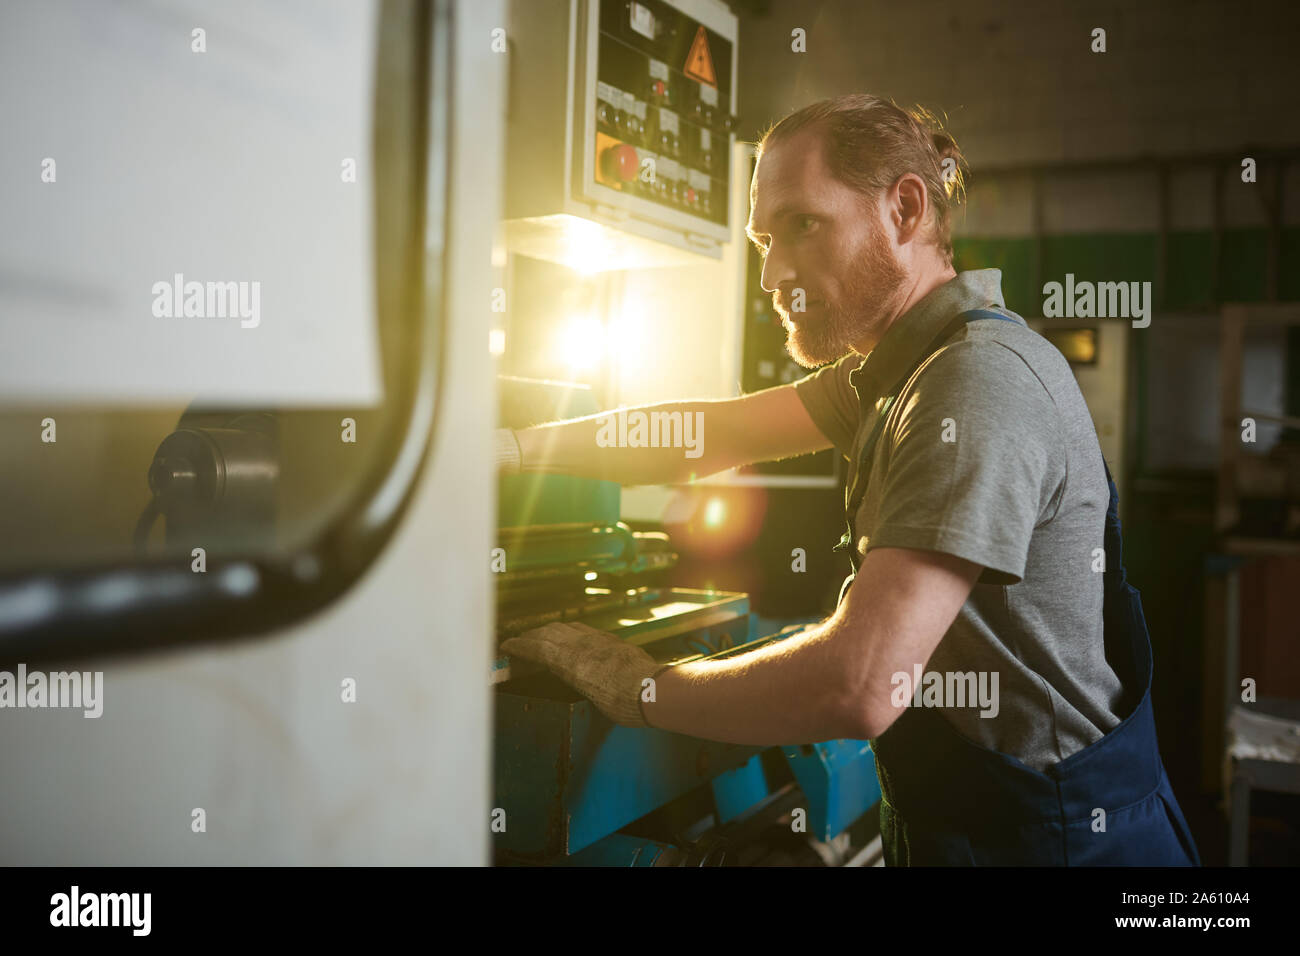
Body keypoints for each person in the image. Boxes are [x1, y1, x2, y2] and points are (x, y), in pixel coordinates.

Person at [496, 94, 1200, 866]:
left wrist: (649, 690)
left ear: (903, 208)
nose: (770, 274)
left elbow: (864, 682)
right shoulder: (899, 370)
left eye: (803, 225)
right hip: (979, 826)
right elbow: (704, 434)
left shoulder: (970, 385)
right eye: (764, 239)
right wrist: (517, 448)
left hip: (1060, 842)